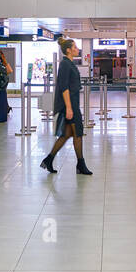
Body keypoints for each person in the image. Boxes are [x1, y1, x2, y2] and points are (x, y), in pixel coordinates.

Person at [40, 38, 92, 176]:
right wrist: (69, 108)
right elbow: (64, 88)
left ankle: (48, 160)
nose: (77, 49)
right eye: (75, 47)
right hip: (70, 105)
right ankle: (80, 164)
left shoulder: (69, 64)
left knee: (67, 134)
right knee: (78, 134)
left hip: (72, 103)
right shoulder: (65, 65)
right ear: (68, 50)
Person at [0, 50, 12, 124]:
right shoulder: (4, 62)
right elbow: (9, 71)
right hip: (3, 84)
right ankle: (3, 115)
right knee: (3, 100)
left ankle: (0, 117)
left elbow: (9, 70)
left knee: (0, 101)